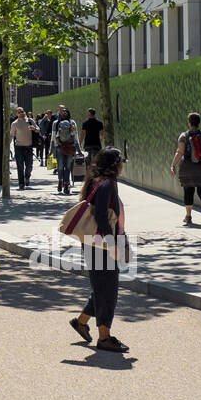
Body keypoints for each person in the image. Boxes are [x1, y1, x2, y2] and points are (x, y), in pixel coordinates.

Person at [70, 147, 130, 353]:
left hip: (96, 243)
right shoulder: (107, 184)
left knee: (101, 287)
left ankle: (81, 322)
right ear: (115, 165)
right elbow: (102, 217)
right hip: (102, 245)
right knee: (108, 291)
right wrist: (113, 244)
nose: (123, 165)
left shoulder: (96, 182)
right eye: (121, 162)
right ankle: (104, 337)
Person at [170, 112, 201, 226]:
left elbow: (180, 152)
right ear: (199, 122)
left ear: (189, 122)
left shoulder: (184, 136)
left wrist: (173, 165)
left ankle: (188, 216)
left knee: (188, 191)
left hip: (188, 168)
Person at [53, 106, 79, 194]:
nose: (63, 113)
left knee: (61, 166)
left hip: (59, 146)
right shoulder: (72, 122)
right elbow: (75, 136)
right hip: (70, 147)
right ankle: (66, 184)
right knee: (67, 166)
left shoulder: (56, 123)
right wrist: (78, 149)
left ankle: (61, 181)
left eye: (64, 112)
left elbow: (54, 137)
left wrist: (52, 150)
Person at [9, 107, 35, 190]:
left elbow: (38, 129)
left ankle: (27, 177)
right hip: (19, 148)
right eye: (19, 112)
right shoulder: (14, 123)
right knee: (20, 167)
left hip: (29, 147)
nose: (21, 113)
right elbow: (11, 135)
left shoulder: (30, 121)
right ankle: (21, 183)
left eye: (23, 111)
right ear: (16, 114)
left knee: (29, 166)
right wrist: (7, 146)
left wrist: (34, 128)